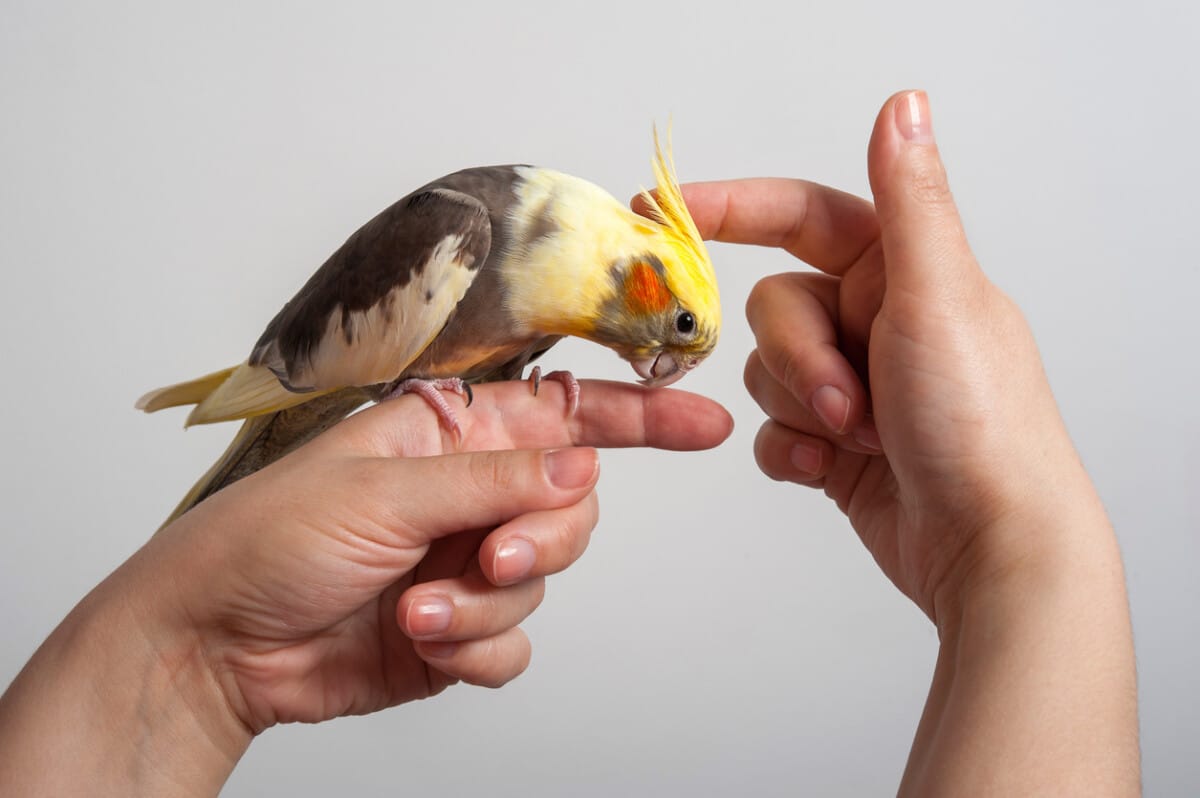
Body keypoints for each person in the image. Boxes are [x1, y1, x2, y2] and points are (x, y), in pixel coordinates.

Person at [0, 91, 1139, 796]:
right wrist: (1022, 562)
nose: (671, 354)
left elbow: (488, 348)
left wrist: (187, 660)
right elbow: (419, 336)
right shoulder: (481, 230)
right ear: (651, 278)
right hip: (333, 365)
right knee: (237, 486)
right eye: (678, 333)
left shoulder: (574, 269)